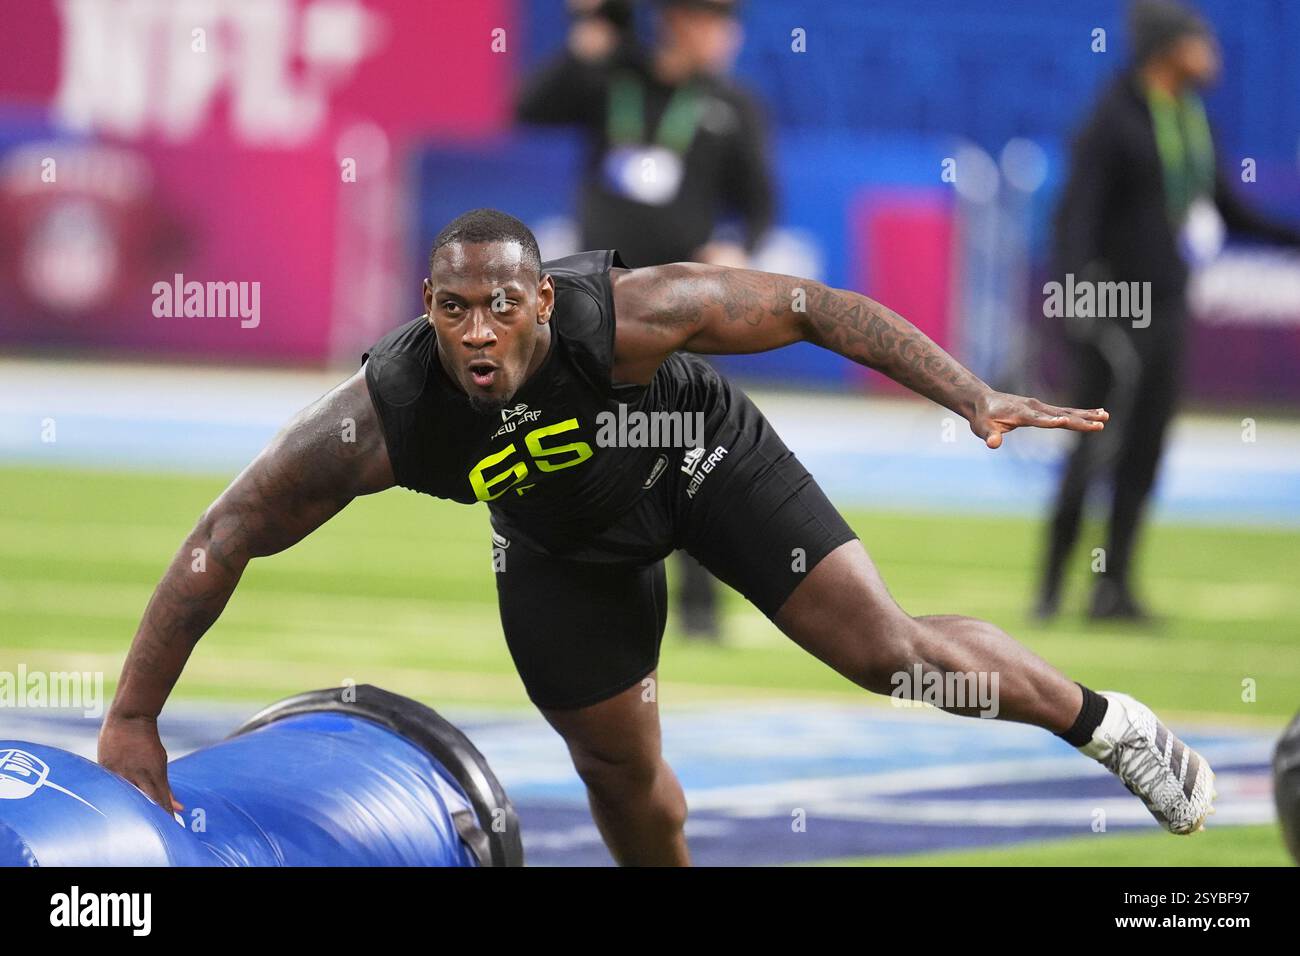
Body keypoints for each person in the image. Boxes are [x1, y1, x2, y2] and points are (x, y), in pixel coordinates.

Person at [100, 208, 1215, 866]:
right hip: (558, 546)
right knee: (624, 778)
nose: (476, 330)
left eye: (498, 304)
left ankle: (1107, 724)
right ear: (425, 308)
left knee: (893, 656)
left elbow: (812, 307)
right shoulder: (384, 414)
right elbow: (227, 531)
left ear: (543, 299)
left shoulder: (627, 315)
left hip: (698, 459)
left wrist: (970, 393)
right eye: (451, 309)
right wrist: (134, 714)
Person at [517, 0, 775, 640]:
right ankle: (571, 592)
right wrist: (585, 39)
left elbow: (760, 202)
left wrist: (738, 246)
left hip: (683, 310)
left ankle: (699, 610)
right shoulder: (612, 79)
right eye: (713, 21)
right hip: (593, 300)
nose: (726, 37)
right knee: (578, 443)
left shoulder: (732, 106)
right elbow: (530, 110)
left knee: (691, 449)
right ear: (679, 20)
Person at [1037, 0, 1300, 621]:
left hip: (1166, 310)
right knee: (1092, 446)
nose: (1212, 53)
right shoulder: (1113, 119)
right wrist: (1079, 299)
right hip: (1111, 312)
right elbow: (1075, 216)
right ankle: (1050, 588)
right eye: (1199, 40)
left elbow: (1226, 207)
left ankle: (1113, 588)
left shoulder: (1188, 117)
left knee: (1146, 448)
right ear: (1167, 49)